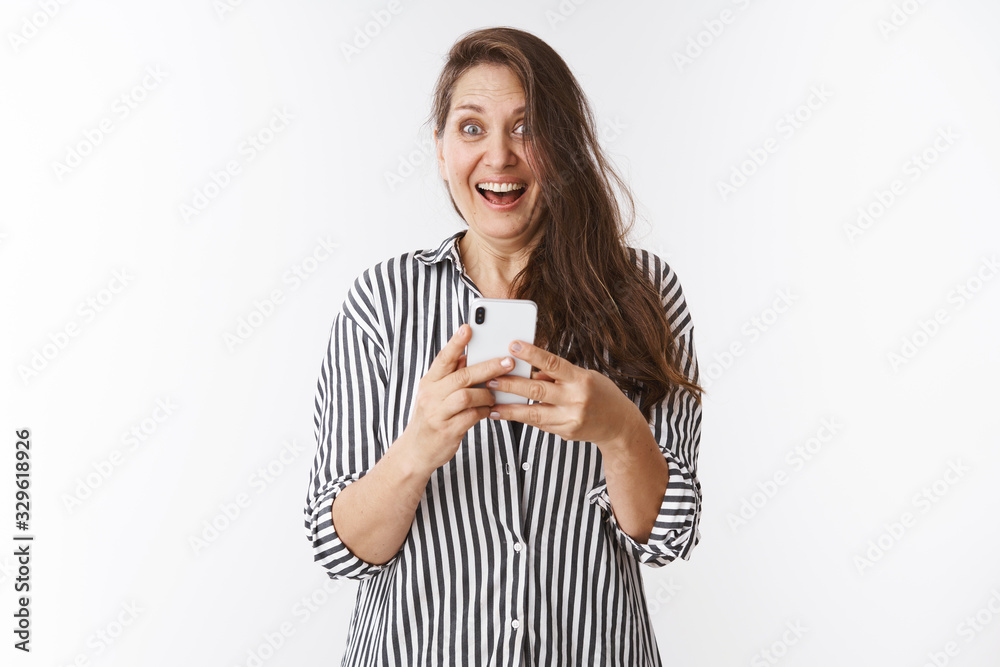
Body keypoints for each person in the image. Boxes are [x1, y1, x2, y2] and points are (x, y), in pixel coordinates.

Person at [303, 26, 704, 667]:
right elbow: (338, 548)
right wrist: (417, 450)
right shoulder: (381, 302)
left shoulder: (644, 292)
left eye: (526, 127)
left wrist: (621, 431)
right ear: (439, 150)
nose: (498, 157)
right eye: (470, 128)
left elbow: (668, 537)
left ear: (565, 147)